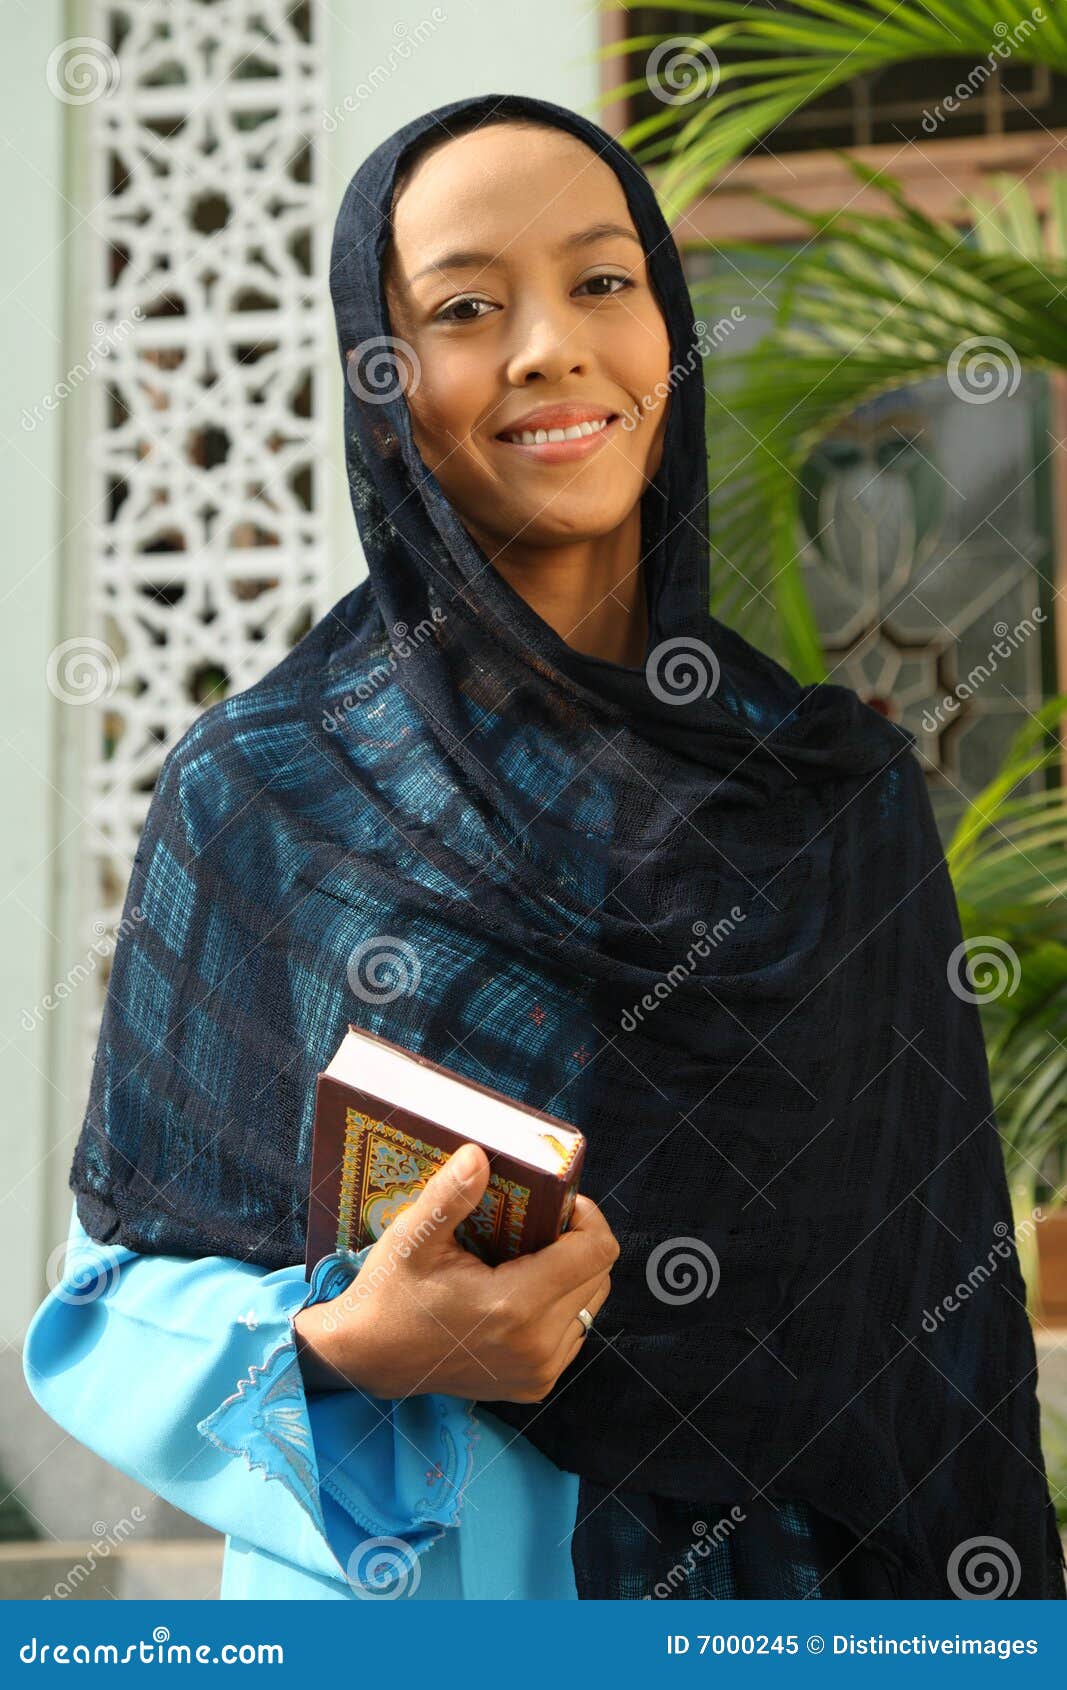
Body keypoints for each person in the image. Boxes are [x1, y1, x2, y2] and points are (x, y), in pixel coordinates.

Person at [24, 92, 1066, 1602]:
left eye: (602, 280)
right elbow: (111, 1295)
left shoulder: (831, 794)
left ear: (667, 330)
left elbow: (938, 1321)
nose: (549, 348)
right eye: (463, 306)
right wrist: (346, 1343)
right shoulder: (272, 791)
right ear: (380, 378)